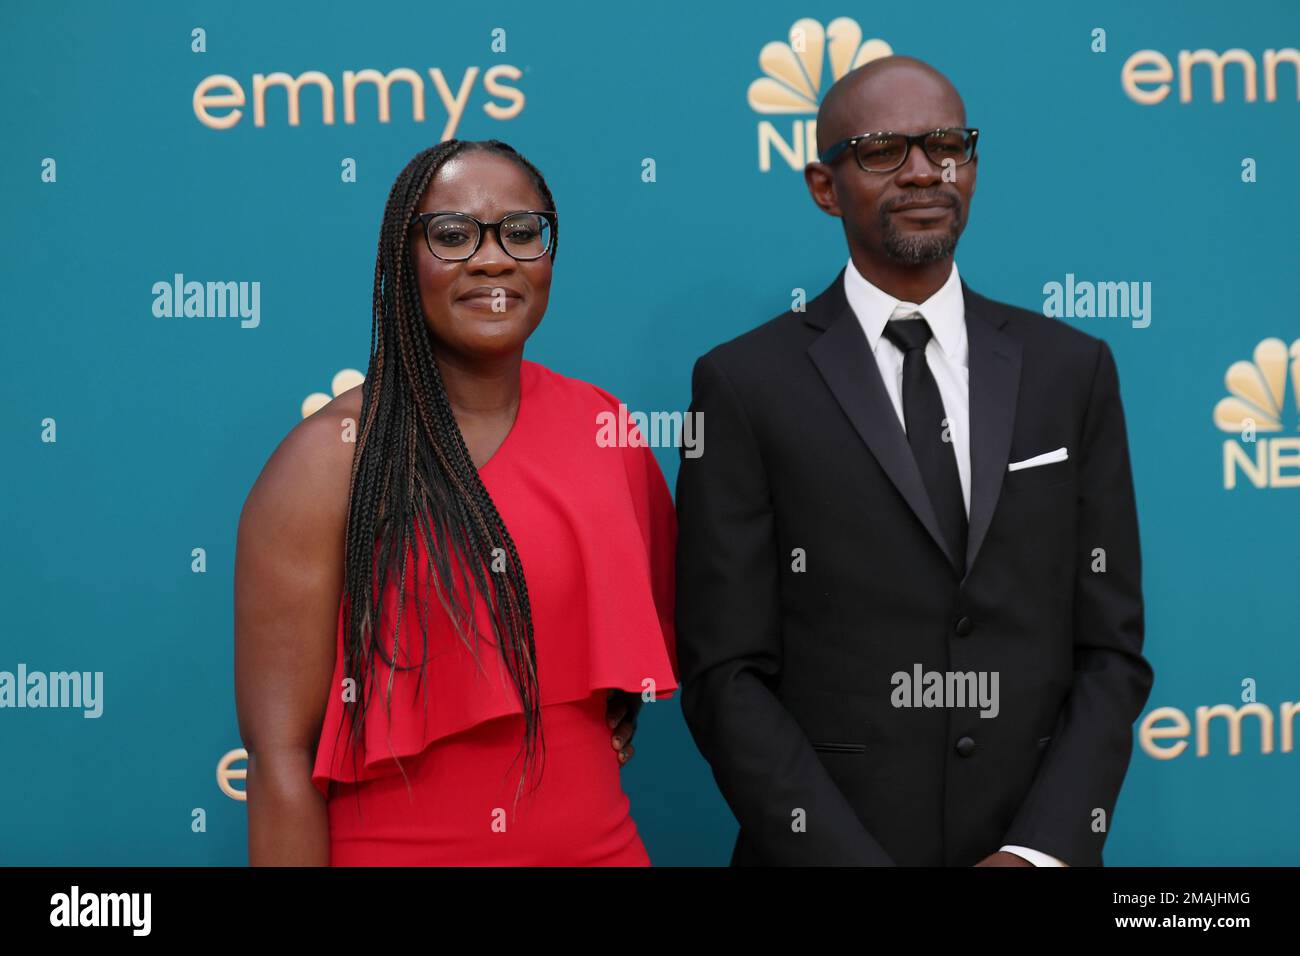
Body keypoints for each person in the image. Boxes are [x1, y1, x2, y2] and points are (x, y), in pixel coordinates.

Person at [675, 56, 1154, 866]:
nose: (926, 171)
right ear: (824, 186)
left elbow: (1109, 649)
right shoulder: (743, 383)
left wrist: (1039, 853)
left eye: (946, 145)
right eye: (883, 150)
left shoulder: (1072, 368)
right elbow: (726, 673)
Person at [234, 139, 677, 866]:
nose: (493, 258)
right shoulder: (327, 460)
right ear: (403, 262)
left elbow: (632, 647)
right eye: (452, 235)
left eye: (522, 231)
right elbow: (280, 759)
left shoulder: (605, 428)